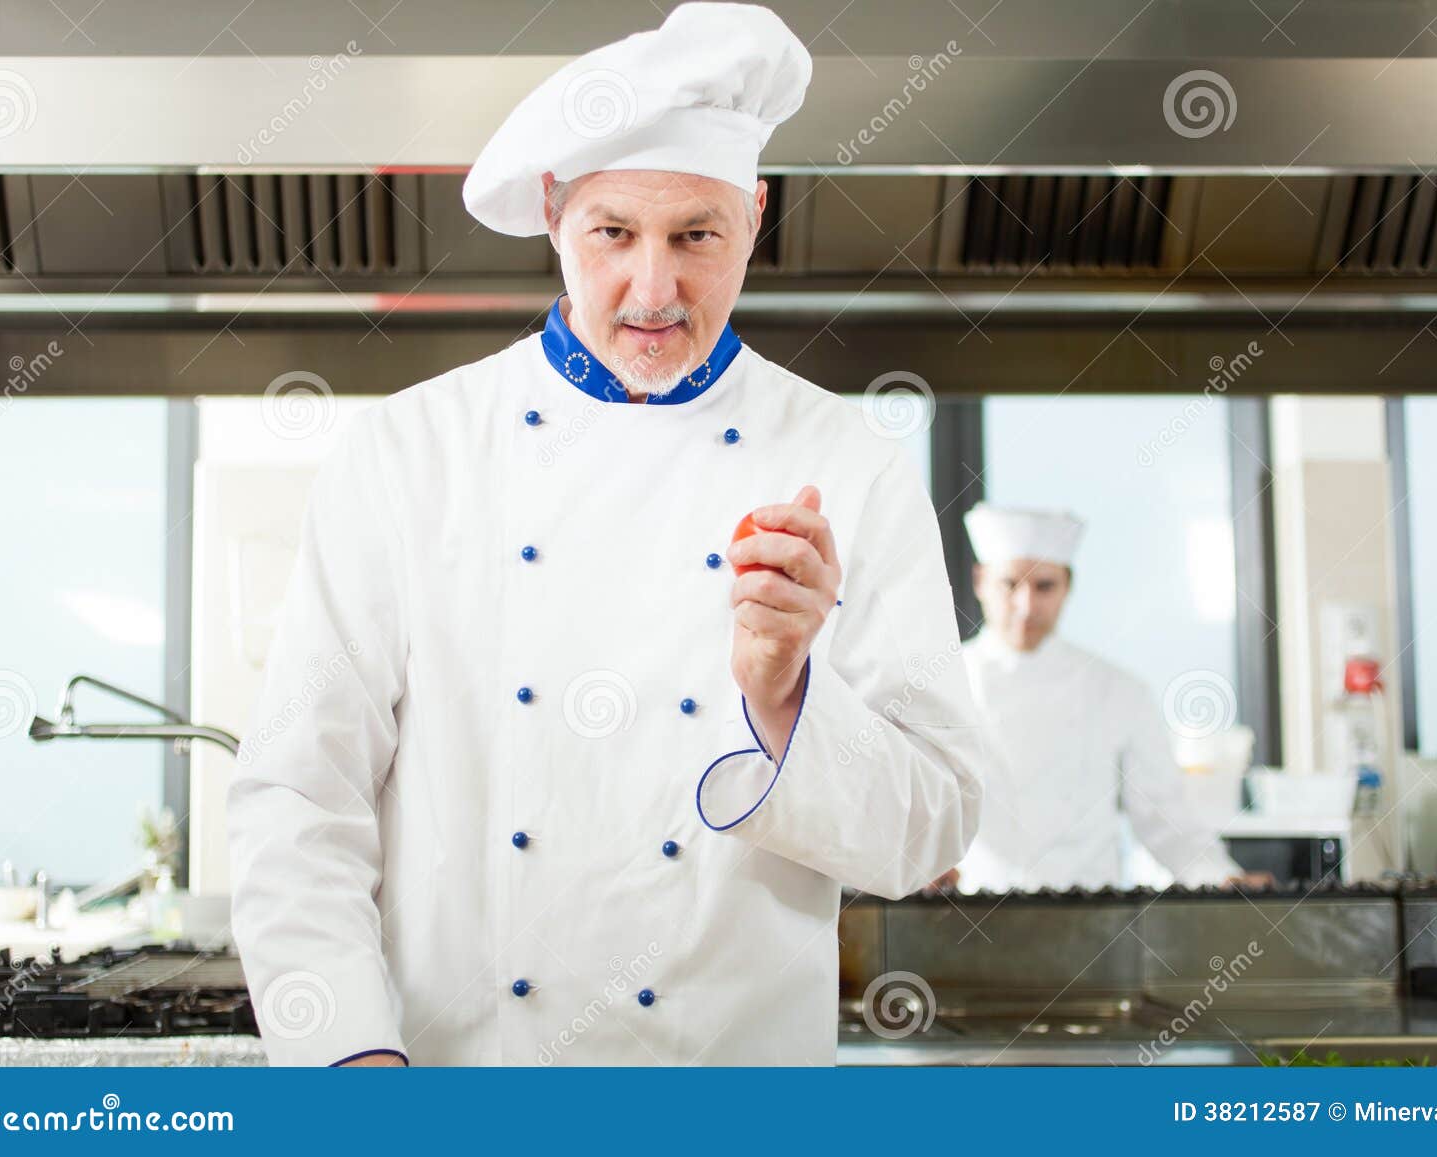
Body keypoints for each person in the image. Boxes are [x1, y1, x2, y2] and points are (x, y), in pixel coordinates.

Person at [226, 3, 984, 1067]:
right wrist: (350, 1059)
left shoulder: (848, 465)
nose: (654, 290)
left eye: (697, 236)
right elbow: (300, 792)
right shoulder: (408, 453)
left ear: (756, 215)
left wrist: (785, 698)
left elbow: (931, 828)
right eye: (614, 234)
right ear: (552, 211)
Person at [944, 502, 1260, 894]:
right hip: (974, 911)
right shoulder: (942, 685)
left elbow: (1164, 818)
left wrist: (1223, 879)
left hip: (1092, 912)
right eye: (1010, 584)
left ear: (1068, 587)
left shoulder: (1118, 691)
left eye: (1044, 586)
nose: (1026, 606)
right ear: (980, 581)